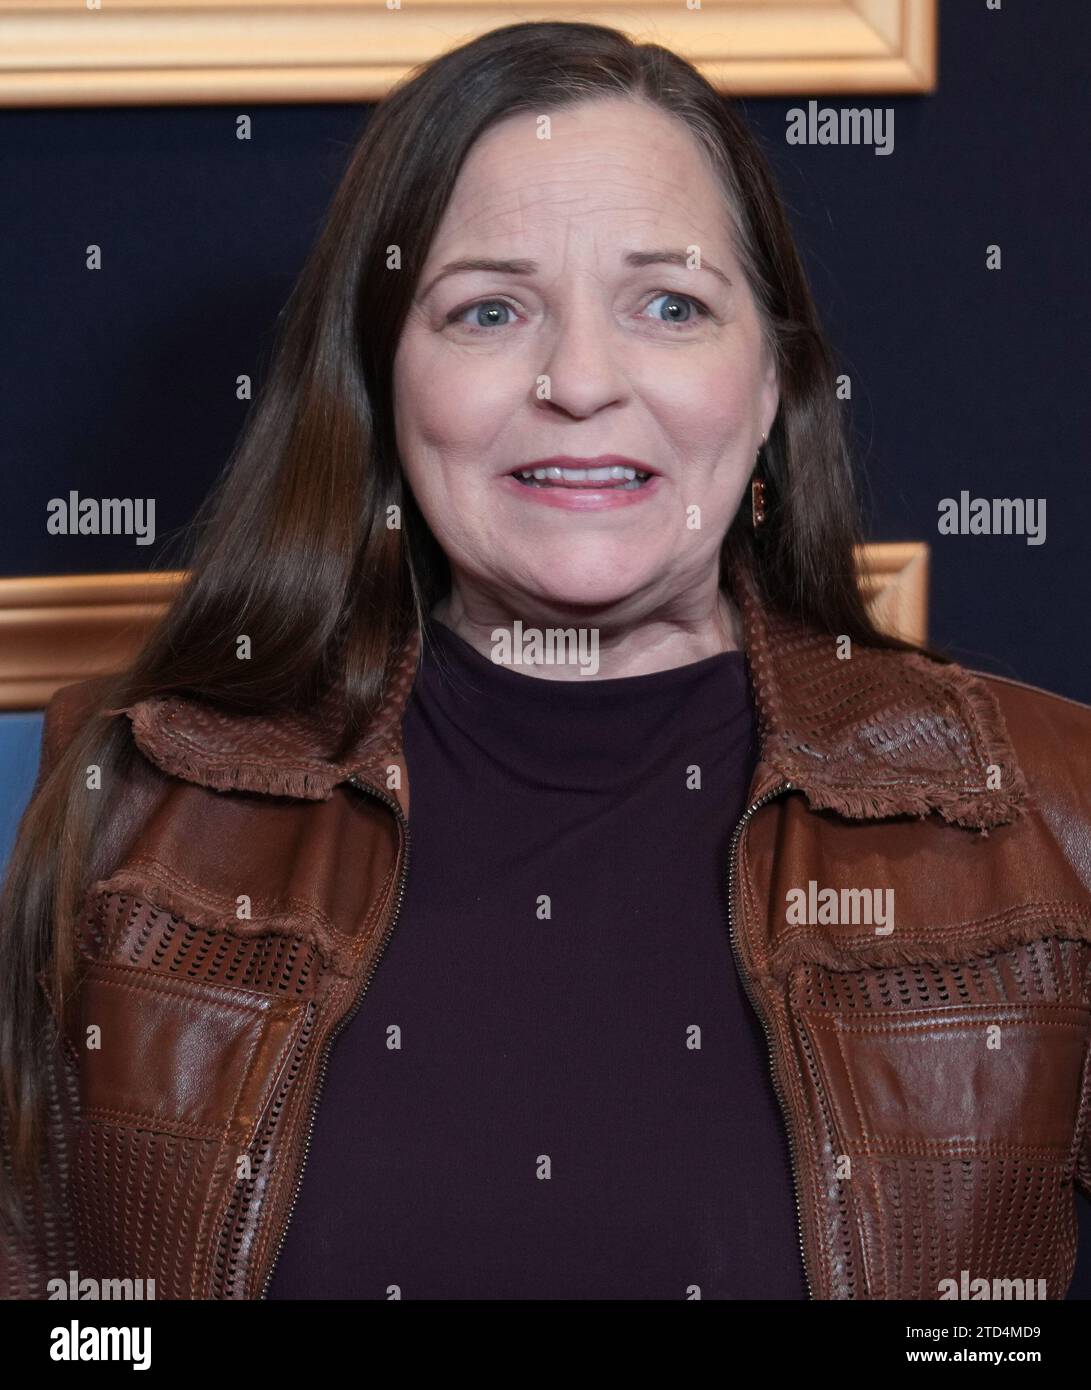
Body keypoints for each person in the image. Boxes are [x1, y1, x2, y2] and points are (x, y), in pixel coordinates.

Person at [2, 20, 1090, 1302]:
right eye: (488, 309)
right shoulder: (109, 805)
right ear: (380, 378)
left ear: (770, 386)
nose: (578, 380)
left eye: (669, 304)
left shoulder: (1054, 813)